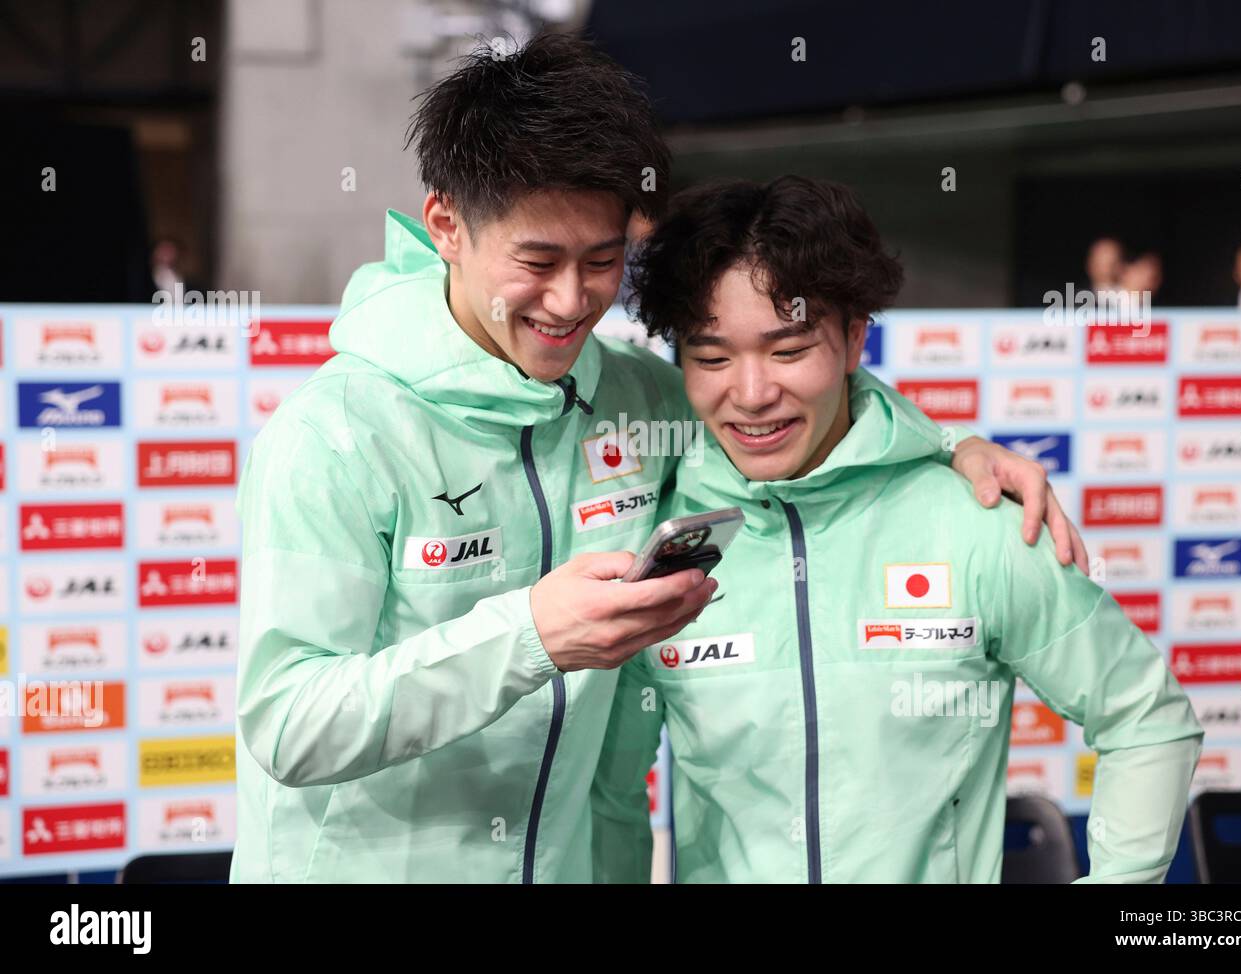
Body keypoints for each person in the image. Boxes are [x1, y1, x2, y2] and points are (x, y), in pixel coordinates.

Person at [233, 34, 1083, 884]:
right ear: (447, 225)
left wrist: (948, 445)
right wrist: (529, 635)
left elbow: (793, 409)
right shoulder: (335, 435)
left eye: (601, 262)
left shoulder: (639, 400)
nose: (571, 303)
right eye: (537, 262)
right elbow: (288, 725)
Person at [591, 176, 1203, 883]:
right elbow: (611, 793)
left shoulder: (976, 524)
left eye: (789, 351)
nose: (752, 394)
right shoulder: (662, 542)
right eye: (712, 357)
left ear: (854, 339)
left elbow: (1147, 720)